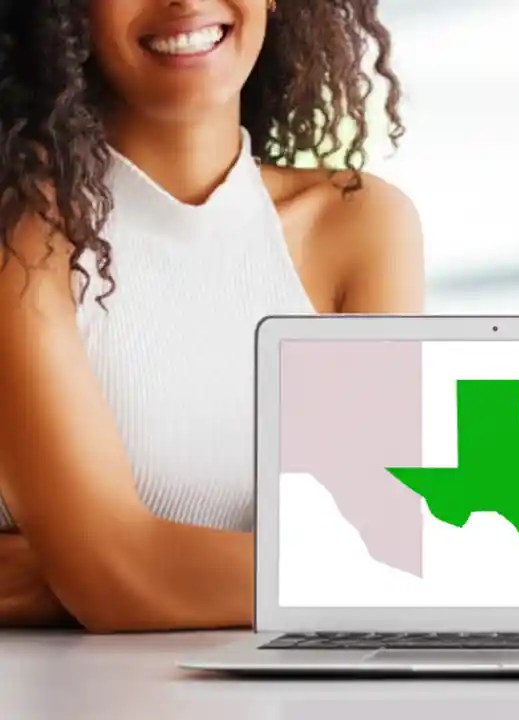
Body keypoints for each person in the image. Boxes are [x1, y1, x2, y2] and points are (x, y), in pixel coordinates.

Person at [0, 0, 421, 632]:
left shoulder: (360, 225)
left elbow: (375, 544)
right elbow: (119, 578)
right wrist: (109, 573)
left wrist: (55, 576)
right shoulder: (24, 228)